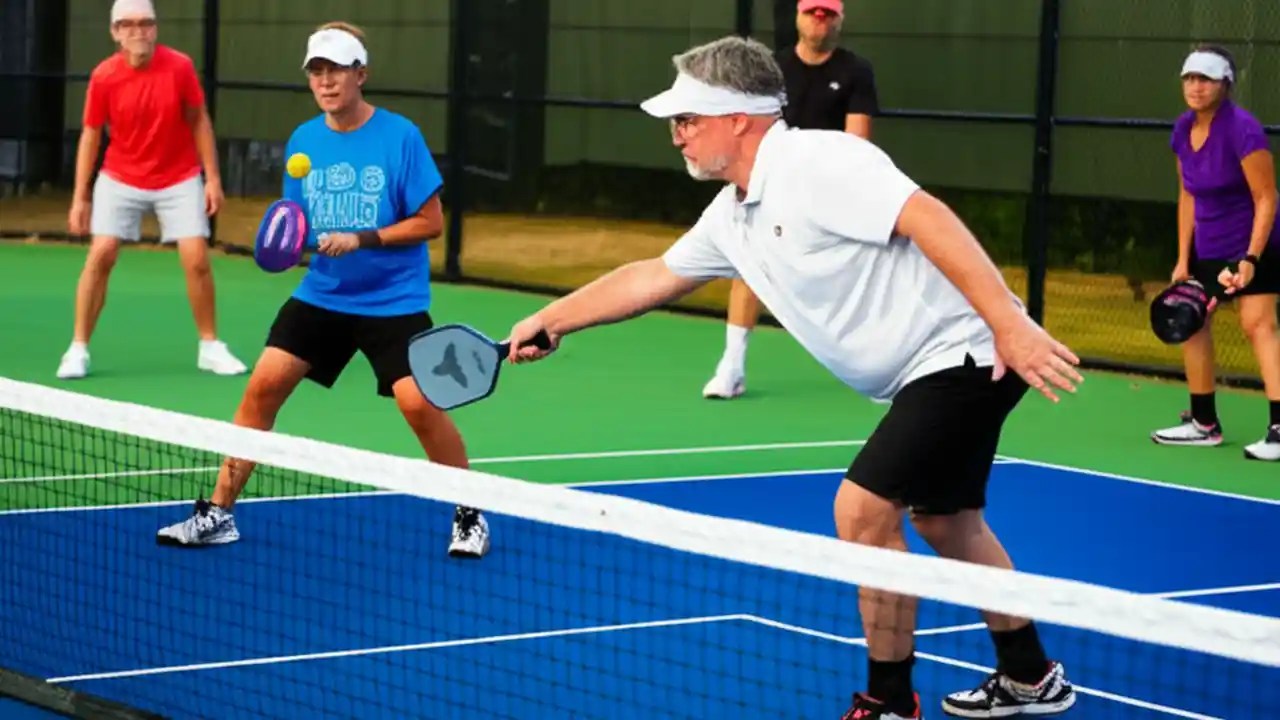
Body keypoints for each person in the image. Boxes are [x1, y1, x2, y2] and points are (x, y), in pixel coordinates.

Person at [504, 36, 1080, 719]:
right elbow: (653, 277)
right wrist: (553, 319)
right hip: (937, 366)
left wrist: (1009, 324)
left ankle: (888, 701)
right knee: (946, 521)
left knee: (863, 511)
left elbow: (927, 216)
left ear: (736, 118)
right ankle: (1030, 676)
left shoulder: (818, 162)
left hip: (967, 352)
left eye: (687, 119)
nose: (677, 135)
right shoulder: (733, 212)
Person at [156, 22, 491, 559]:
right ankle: (219, 513)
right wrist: (287, 244)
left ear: (362, 74)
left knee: (418, 405)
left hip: (393, 300)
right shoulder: (304, 141)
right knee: (262, 387)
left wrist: (362, 238)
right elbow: (297, 222)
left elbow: (431, 222)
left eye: (337, 70)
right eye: (317, 71)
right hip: (323, 295)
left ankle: (470, 512)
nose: (326, 81)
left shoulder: (400, 136)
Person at [58, 0, 246, 380]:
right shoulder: (103, 76)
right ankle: (77, 349)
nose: (138, 31)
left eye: (145, 23)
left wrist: (212, 178)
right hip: (120, 176)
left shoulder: (180, 67)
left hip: (179, 175)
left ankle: (210, 346)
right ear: (115, 33)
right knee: (102, 253)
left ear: (155, 28)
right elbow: (91, 134)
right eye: (128, 25)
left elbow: (199, 120)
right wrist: (81, 196)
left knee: (196, 257)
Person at [702, 0, 879, 399]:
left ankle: (878, 367)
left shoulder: (855, 71)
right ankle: (732, 367)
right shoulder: (772, 70)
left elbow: (857, 143)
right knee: (750, 266)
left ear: (840, 20)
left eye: (828, 14)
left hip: (830, 190)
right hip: (771, 184)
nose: (820, 20)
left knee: (859, 275)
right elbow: (751, 129)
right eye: (813, 12)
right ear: (798, 17)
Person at [1151, 45, 1280, 462]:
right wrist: (1182, 258)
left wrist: (1251, 258)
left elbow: (1266, 197)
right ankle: (1203, 424)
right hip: (1208, 245)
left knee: (1257, 324)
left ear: (1225, 84)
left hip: (1256, 242)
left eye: (1205, 79)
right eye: (1190, 78)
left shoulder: (1243, 130)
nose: (1196, 86)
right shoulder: (1182, 129)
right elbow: (1188, 194)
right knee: (1192, 320)